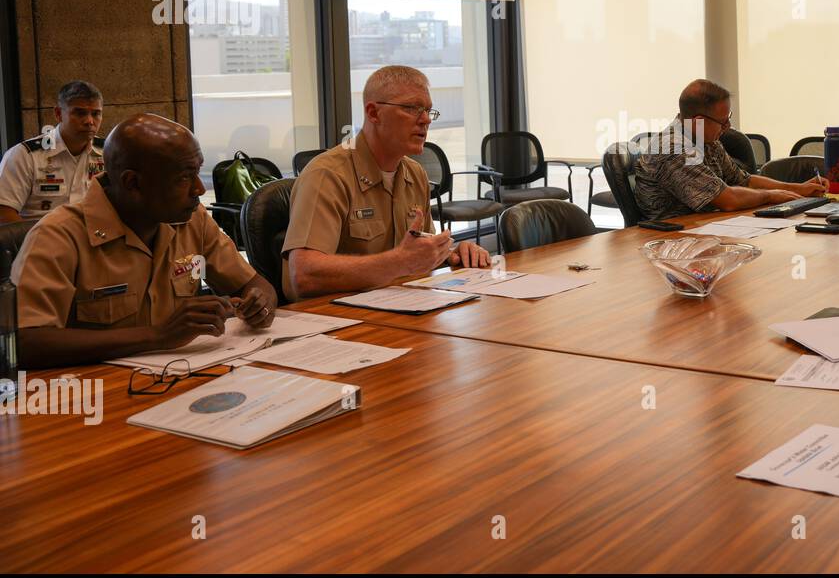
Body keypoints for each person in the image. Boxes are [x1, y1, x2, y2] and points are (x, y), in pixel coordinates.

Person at [10, 114, 277, 369]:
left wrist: (259, 303)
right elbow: (26, 343)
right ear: (133, 183)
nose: (199, 189)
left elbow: (254, 284)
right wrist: (157, 336)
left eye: (197, 172)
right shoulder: (59, 236)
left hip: (184, 376)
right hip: (96, 395)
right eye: (184, 177)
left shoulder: (192, 220)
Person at [282, 65, 490, 301]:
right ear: (373, 113)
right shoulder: (327, 175)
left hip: (402, 307)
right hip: (338, 320)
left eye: (428, 111)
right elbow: (304, 275)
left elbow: (416, 252)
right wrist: (398, 263)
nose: (424, 120)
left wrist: (451, 253)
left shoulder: (415, 174)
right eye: (412, 108)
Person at [634, 79, 825, 221]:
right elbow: (728, 199)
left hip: (703, 226)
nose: (728, 125)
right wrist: (771, 195)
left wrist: (799, 189)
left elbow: (744, 180)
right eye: (722, 121)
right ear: (698, 120)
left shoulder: (706, 139)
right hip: (671, 239)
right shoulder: (675, 148)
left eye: (729, 117)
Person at [0, 80, 105, 221]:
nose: (89, 121)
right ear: (58, 114)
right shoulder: (25, 156)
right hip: (40, 239)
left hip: (96, 238)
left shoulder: (108, 152)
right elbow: (4, 213)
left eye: (96, 114)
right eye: (80, 113)